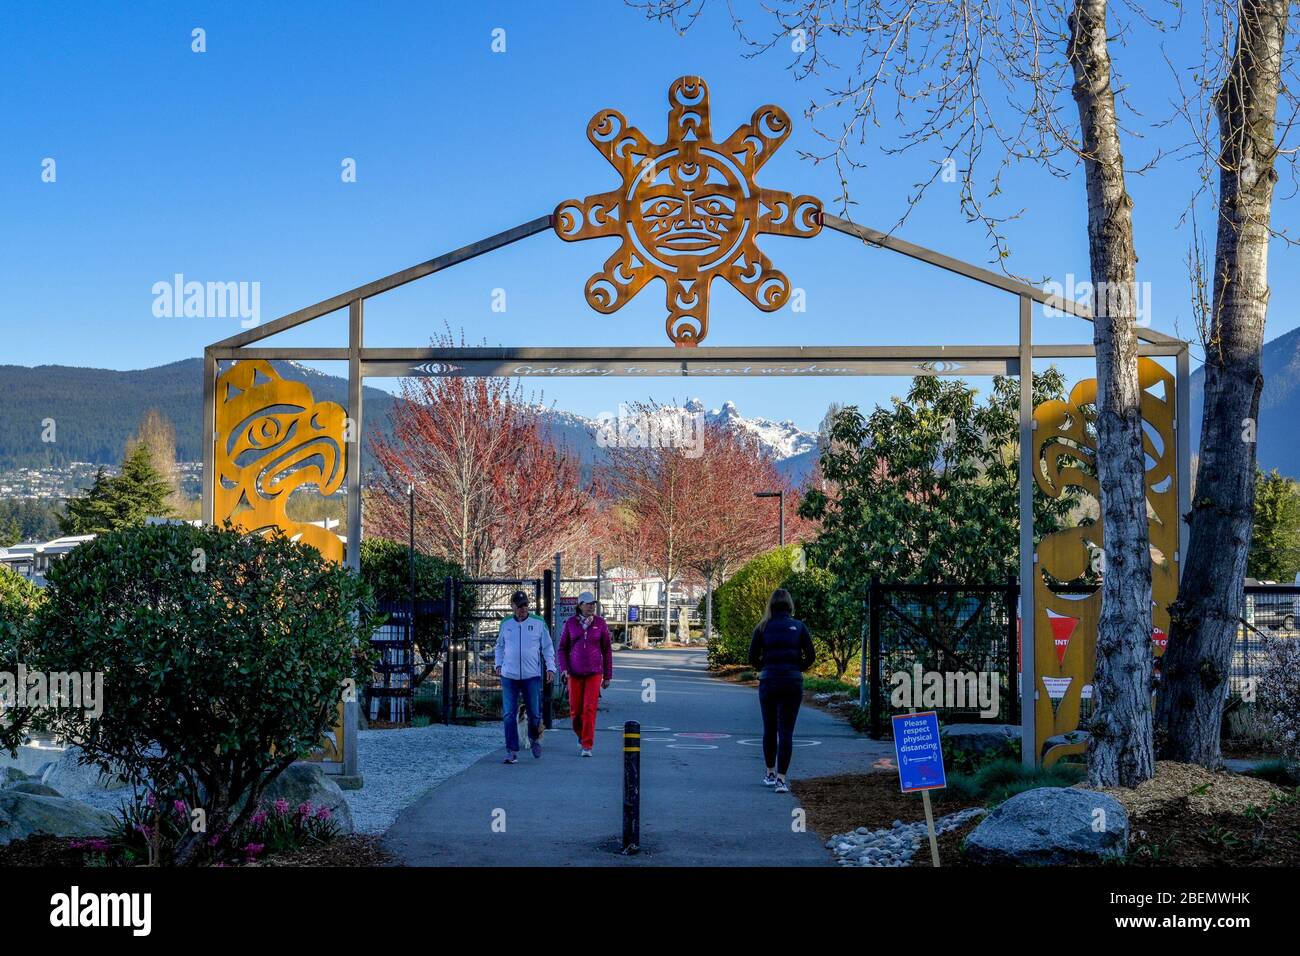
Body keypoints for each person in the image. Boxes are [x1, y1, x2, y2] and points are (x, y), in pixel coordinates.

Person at [748, 588, 815, 793]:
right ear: (789, 605)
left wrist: (765, 667)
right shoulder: (798, 626)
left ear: (771, 605)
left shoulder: (762, 627)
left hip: (769, 681)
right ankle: (781, 779)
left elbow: (752, 657)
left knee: (769, 729)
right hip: (792, 682)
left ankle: (769, 772)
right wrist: (797, 668)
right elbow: (810, 655)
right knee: (786, 731)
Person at [493, 590, 556, 764]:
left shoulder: (537, 622)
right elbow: (499, 646)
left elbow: (547, 647)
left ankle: (534, 738)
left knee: (534, 713)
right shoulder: (506, 624)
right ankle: (512, 750)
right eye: (519, 606)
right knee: (508, 714)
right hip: (509, 675)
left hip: (531, 676)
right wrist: (498, 664)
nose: (523, 609)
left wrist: (550, 667)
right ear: (512, 606)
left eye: (525, 605)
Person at [557, 591, 613, 757]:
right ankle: (580, 734)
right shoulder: (570, 624)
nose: (591, 606)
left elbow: (607, 650)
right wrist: (564, 669)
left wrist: (608, 675)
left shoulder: (600, 624)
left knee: (589, 708)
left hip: (594, 673)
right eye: (588, 603)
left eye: (593, 604)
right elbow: (562, 649)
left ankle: (587, 745)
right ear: (579, 605)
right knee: (575, 711)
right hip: (574, 673)